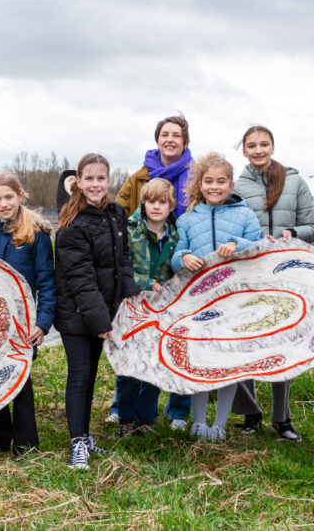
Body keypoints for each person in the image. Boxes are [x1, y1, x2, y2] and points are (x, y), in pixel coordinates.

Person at [231, 125, 314, 441]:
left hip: (286, 274)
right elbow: (230, 228)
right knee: (246, 343)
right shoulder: (236, 186)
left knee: (284, 343)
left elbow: (312, 227)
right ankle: (250, 413)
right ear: (243, 150)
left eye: (263, 144)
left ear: (273, 146)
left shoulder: (295, 182)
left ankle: (282, 419)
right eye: (251, 145)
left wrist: (291, 235)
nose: (258, 150)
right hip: (249, 275)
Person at [55, 153, 139, 470]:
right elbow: (81, 278)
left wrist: (130, 304)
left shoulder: (115, 213)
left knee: (91, 376)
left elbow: (123, 264)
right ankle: (77, 444)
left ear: (109, 180)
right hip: (78, 313)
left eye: (100, 178)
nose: (95, 184)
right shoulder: (72, 222)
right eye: (88, 178)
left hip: (103, 311)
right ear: (78, 182)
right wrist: (102, 321)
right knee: (79, 375)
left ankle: (86, 436)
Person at [170, 153, 262, 442]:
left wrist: (238, 244)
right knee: (199, 360)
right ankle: (198, 422)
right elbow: (175, 255)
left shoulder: (245, 215)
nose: (215, 186)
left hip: (234, 299)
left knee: (227, 363)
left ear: (231, 184)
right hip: (198, 301)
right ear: (200, 184)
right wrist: (183, 258)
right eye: (208, 181)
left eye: (221, 181)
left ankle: (219, 424)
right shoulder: (186, 219)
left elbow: (259, 249)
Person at [112, 115, 193, 427]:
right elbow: (119, 212)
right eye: (164, 134)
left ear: (185, 140)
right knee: (132, 353)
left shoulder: (192, 175)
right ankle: (123, 411)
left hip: (173, 274)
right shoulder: (140, 177)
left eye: (176, 135)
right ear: (157, 139)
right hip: (137, 289)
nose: (170, 139)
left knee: (170, 347)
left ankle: (173, 412)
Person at [0, 172, 56, 455]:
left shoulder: (36, 234)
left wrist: (42, 324)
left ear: (21, 196)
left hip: (22, 322)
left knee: (20, 379)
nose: (4, 204)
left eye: (9, 197)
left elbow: (46, 282)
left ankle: (26, 443)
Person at [117, 178, 180, 436]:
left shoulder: (175, 235)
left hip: (161, 311)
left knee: (155, 364)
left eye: (162, 202)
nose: (156, 207)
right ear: (143, 203)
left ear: (171, 205)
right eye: (151, 201)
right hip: (132, 307)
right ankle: (125, 419)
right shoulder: (130, 230)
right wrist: (144, 282)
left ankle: (146, 419)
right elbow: (120, 266)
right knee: (130, 367)